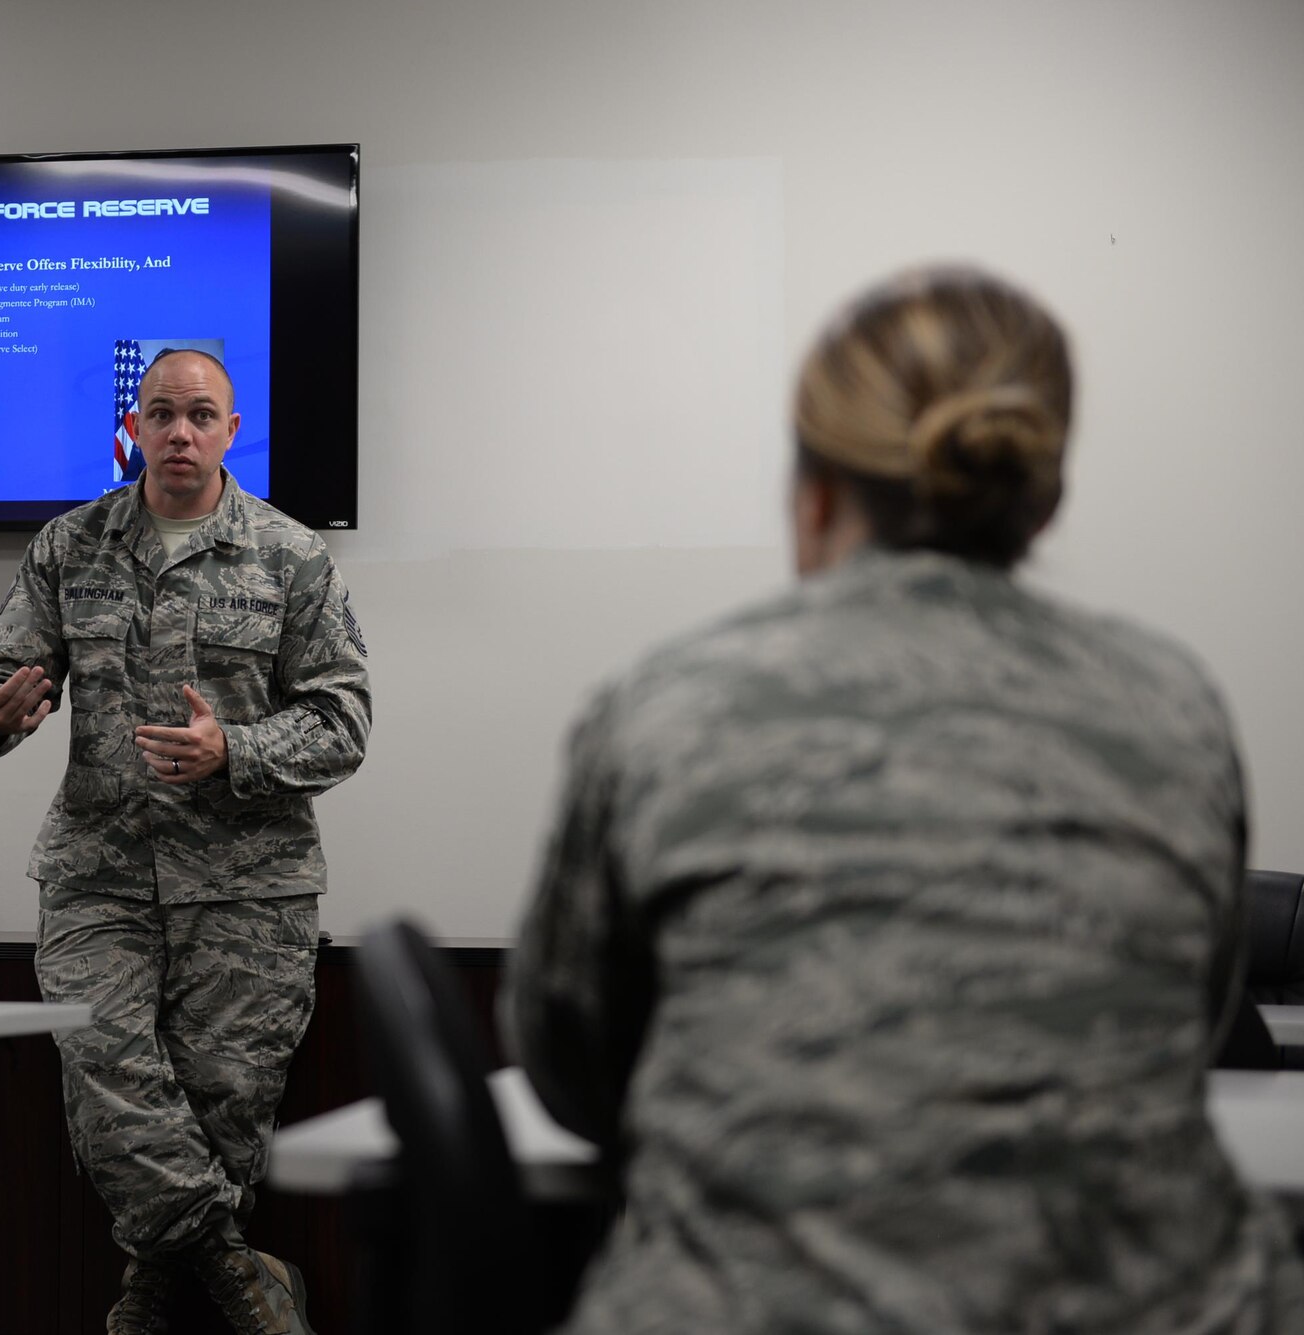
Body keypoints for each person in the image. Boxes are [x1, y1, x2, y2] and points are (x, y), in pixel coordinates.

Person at [506, 266, 1304, 1333]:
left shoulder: (670, 702)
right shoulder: (1169, 705)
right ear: (1042, 498)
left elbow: (572, 1063)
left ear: (813, 492)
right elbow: (1194, 1023)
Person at [0, 348, 370, 1335]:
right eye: (161, 414)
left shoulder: (292, 555)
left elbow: (343, 725)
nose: (178, 432)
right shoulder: (68, 546)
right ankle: (238, 1275)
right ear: (132, 427)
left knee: (223, 1116)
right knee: (105, 1080)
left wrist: (237, 749)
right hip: (97, 876)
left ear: (230, 431)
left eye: (200, 415)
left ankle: (149, 1298)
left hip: (249, 891)